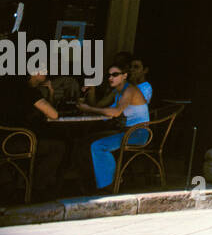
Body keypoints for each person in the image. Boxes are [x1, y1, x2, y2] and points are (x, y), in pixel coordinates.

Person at [78, 64, 149, 192]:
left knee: (98, 146)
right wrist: (92, 91)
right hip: (125, 131)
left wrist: (88, 109)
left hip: (138, 133)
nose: (111, 78)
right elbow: (98, 106)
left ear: (124, 76)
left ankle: (110, 185)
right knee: (85, 141)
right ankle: (91, 183)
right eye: (109, 75)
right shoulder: (117, 91)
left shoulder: (130, 90)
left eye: (115, 74)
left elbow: (115, 112)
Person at [0, 71, 67, 201]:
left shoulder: (10, 87)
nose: (47, 71)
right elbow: (53, 114)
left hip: (5, 138)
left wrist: (51, 92)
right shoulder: (27, 91)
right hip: (16, 142)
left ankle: (26, 183)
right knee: (59, 146)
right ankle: (37, 187)